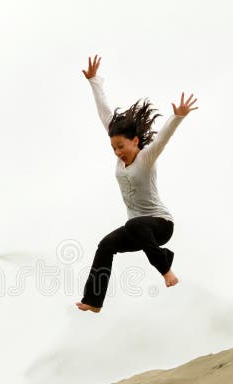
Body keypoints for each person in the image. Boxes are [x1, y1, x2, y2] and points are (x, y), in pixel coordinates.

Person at [76, 54, 198, 313]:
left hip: (160, 226)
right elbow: (104, 113)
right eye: (113, 148)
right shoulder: (121, 153)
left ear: (135, 141)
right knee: (105, 245)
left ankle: (165, 269)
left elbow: (163, 139)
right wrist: (94, 80)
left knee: (135, 223)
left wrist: (177, 117)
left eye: (121, 146)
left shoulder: (146, 158)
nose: (117, 151)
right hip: (138, 231)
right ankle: (93, 301)